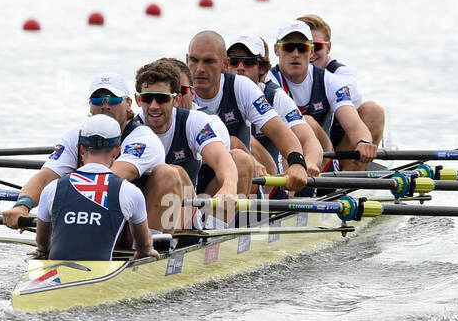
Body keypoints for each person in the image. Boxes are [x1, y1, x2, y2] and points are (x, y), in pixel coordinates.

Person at [3, 73, 186, 232]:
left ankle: (152, 247)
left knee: (169, 172)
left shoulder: (143, 138)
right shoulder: (74, 136)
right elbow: (45, 177)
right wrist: (22, 206)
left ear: (129, 104)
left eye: (113, 100)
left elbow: (112, 178)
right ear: (90, 105)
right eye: (98, 100)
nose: (105, 106)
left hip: (136, 227)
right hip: (95, 220)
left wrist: (56, 198)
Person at [186, 30, 308, 192]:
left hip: (234, 179)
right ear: (187, 60)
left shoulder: (241, 86)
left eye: (209, 61)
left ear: (225, 65)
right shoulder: (177, 91)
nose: (200, 69)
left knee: (240, 155)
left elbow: (279, 131)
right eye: (194, 60)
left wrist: (297, 163)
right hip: (193, 182)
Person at [34, 116, 158, 262]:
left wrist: (43, 251)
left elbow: (41, 241)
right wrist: (146, 251)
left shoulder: (52, 188)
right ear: (117, 151)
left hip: (54, 275)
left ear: (81, 148)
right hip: (102, 276)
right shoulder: (130, 192)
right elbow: (143, 245)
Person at [133, 59, 241, 220]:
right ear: (138, 100)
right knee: (166, 173)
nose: (154, 106)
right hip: (145, 220)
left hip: (185, 216)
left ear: (176, 100)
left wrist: (229, 186)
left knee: (170, 172)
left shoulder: (194, 121)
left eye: (162, 99)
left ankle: (216, 231)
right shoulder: (132, 129)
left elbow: (220, 158)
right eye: (148, 98)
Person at [269, 21, 377, 172]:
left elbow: (354, 126)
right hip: (282, 159)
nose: (295, 54)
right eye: (288, 47)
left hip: (323, 161)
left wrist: (363, 141)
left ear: (311, 51)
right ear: (276, 50)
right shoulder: (268, 83)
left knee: (307, 122)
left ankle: (346, 184)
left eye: (302, 48)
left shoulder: (330, 81)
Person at [226, 33, 323, 177]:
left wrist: (307, 164)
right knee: (232, 143)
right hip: (231, 175)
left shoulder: (275, 96)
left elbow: (309, 139)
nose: (240, 67)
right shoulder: (210, 94)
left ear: (263, 68)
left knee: (246, 142)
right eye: (234, 61)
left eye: (249, 61)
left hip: (271, 180)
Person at [298, 13, 385, 151]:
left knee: (373, 110)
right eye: (304, 47)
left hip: (336, 147)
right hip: (298, 143)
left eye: (317, 46)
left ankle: (351, 168)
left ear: (329, 48)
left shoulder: (341, 76)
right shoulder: (280, 74)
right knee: (306, 122)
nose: (311, 52)